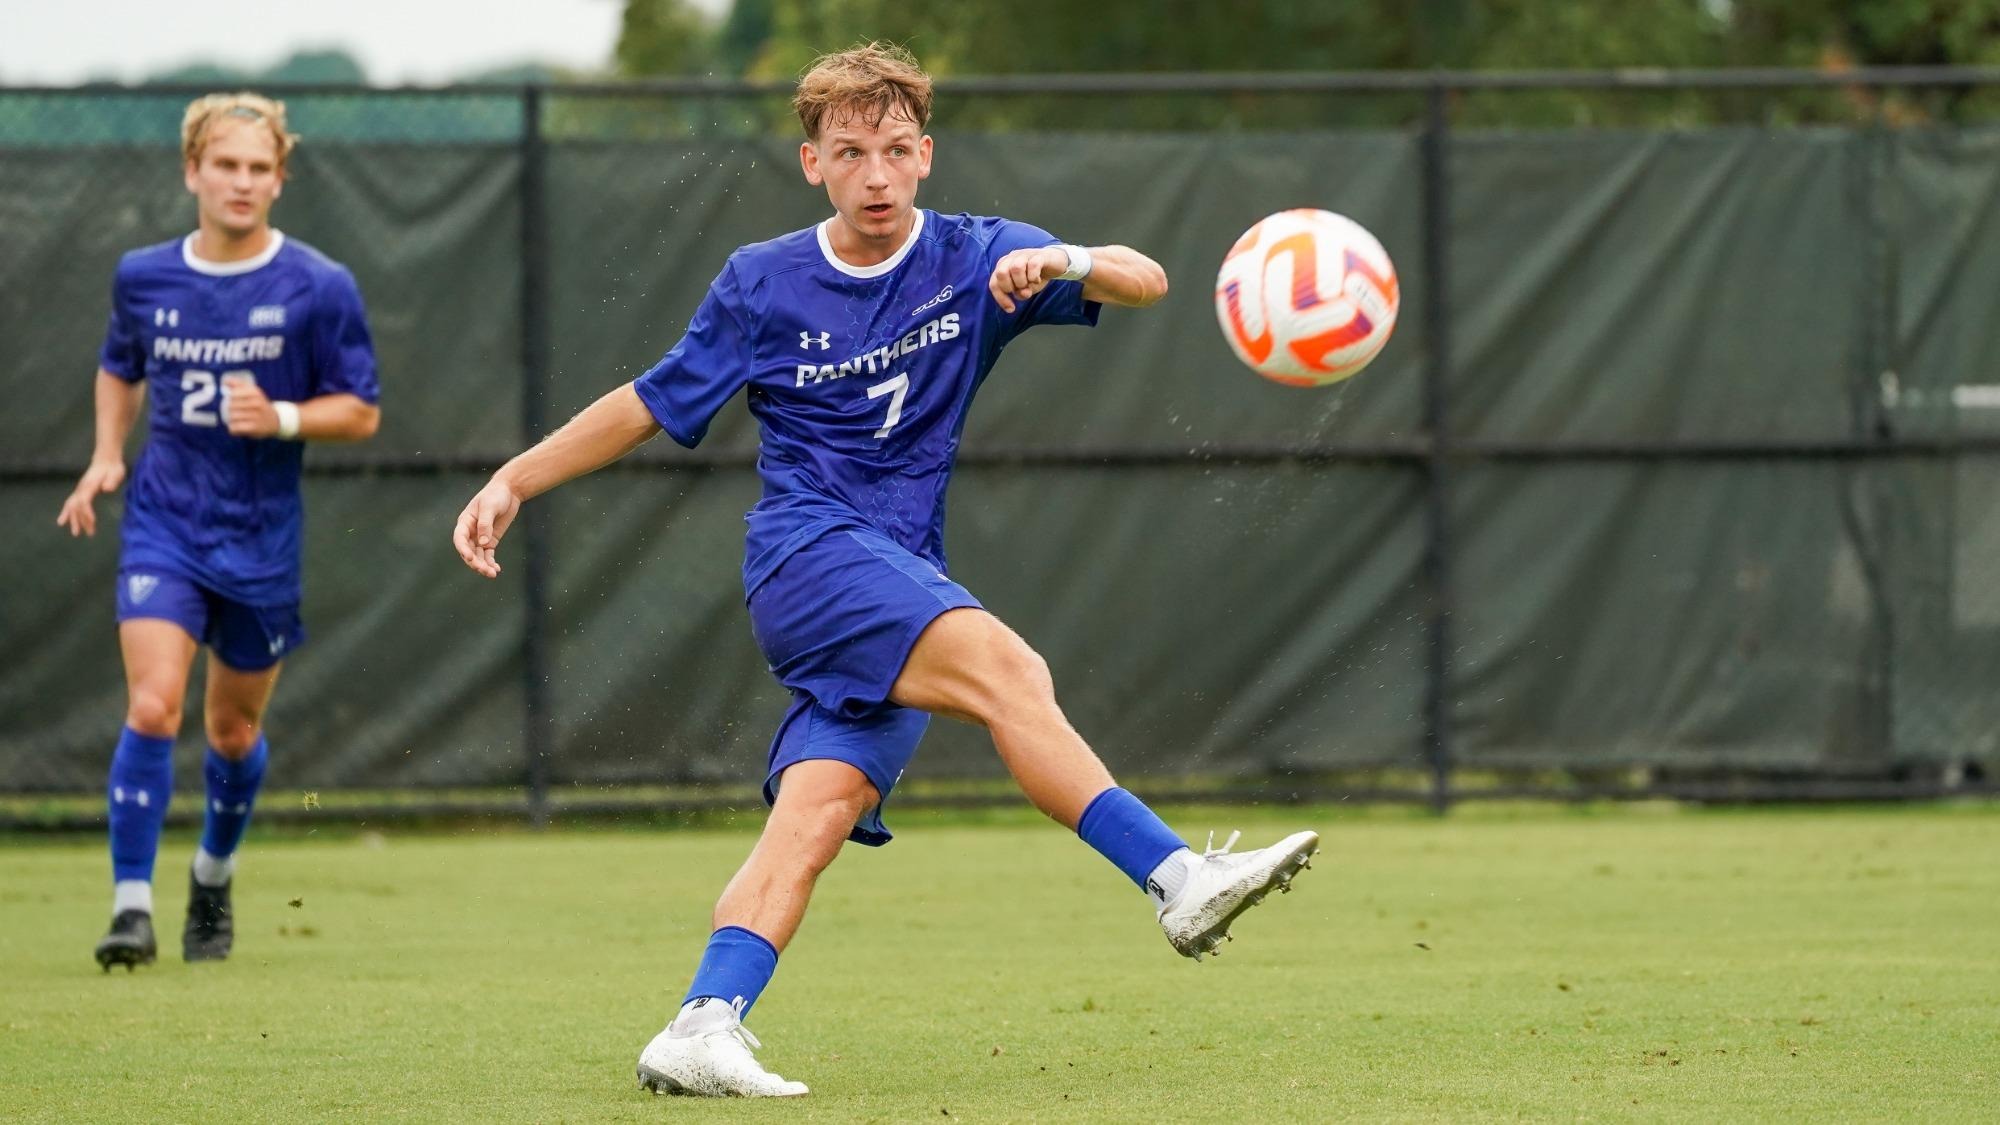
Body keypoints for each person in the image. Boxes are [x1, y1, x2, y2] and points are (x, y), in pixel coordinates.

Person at [451, 43, 1317, 1097]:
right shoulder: (760, 282)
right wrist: (514, 480)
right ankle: (1178, 877)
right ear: (811, 161)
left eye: (894, 150)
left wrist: (1067, 262)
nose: (873, 173)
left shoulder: (978, 255)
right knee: (1010, 673)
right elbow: (644, 403)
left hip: (895, 569)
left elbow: (1147, 280)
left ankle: (700, 1022)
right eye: (849, 150)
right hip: (806, 559)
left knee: (813, 816)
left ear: (924, 157)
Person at [57, 92, 382, 971]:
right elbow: (120, 365)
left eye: (257, 168)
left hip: (261, 539)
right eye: (224, 165)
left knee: (232, 732)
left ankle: (212, 872)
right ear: (191, 171)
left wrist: (278, 415)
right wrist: (105, 455)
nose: (240, 182)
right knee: (154, 704)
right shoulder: (144, 275)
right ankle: (131, 908)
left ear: (280, 179)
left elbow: (359, 412)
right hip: (164, 521)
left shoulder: (319, 284)